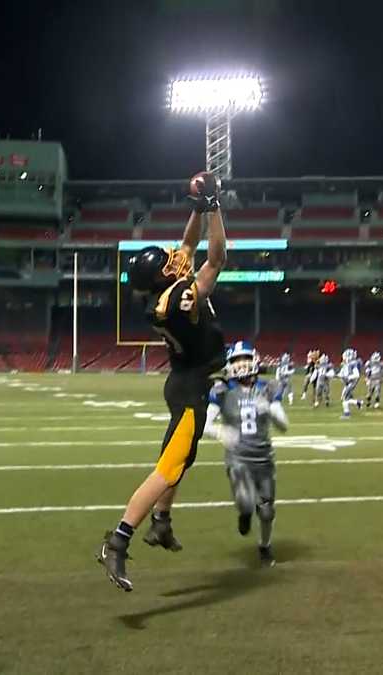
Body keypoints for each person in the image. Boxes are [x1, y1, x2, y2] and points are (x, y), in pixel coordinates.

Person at [97, 171, 227, 593]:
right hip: (190, 387)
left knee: (182, 459)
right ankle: (117, 540)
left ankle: (162, 522)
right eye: (168, 264)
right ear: (162, 279)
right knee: (170, 465)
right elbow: (216, 259)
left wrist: (195, 209)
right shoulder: (177, 299)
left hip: (185, 379)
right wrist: (214, 209)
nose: (176, 258)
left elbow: (188, 246)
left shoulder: (167, 290)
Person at [204, 341, 287, 567]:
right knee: (246, 503)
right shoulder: (221, 391)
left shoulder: (268, 388)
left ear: (254, 360)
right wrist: (221, 431)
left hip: (264, 458)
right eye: (236, 360)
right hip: (238, 457)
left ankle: (265, 546)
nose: (240, 365)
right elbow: (204, 424)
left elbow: (284, 425)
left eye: (244, 359)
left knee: (267, 510)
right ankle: (245, 513)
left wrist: (268, 409)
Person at [337, 348, 362, 419]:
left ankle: (347, 414)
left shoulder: (353, 364)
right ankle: (357, 402)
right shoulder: (346, 364)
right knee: (345, 397)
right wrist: (337, 376)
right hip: (348, 383)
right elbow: (341, 373)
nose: (344, 358)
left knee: (344, 398)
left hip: (351, 383)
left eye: (345, 356)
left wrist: (348, 377)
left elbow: (356, 374)